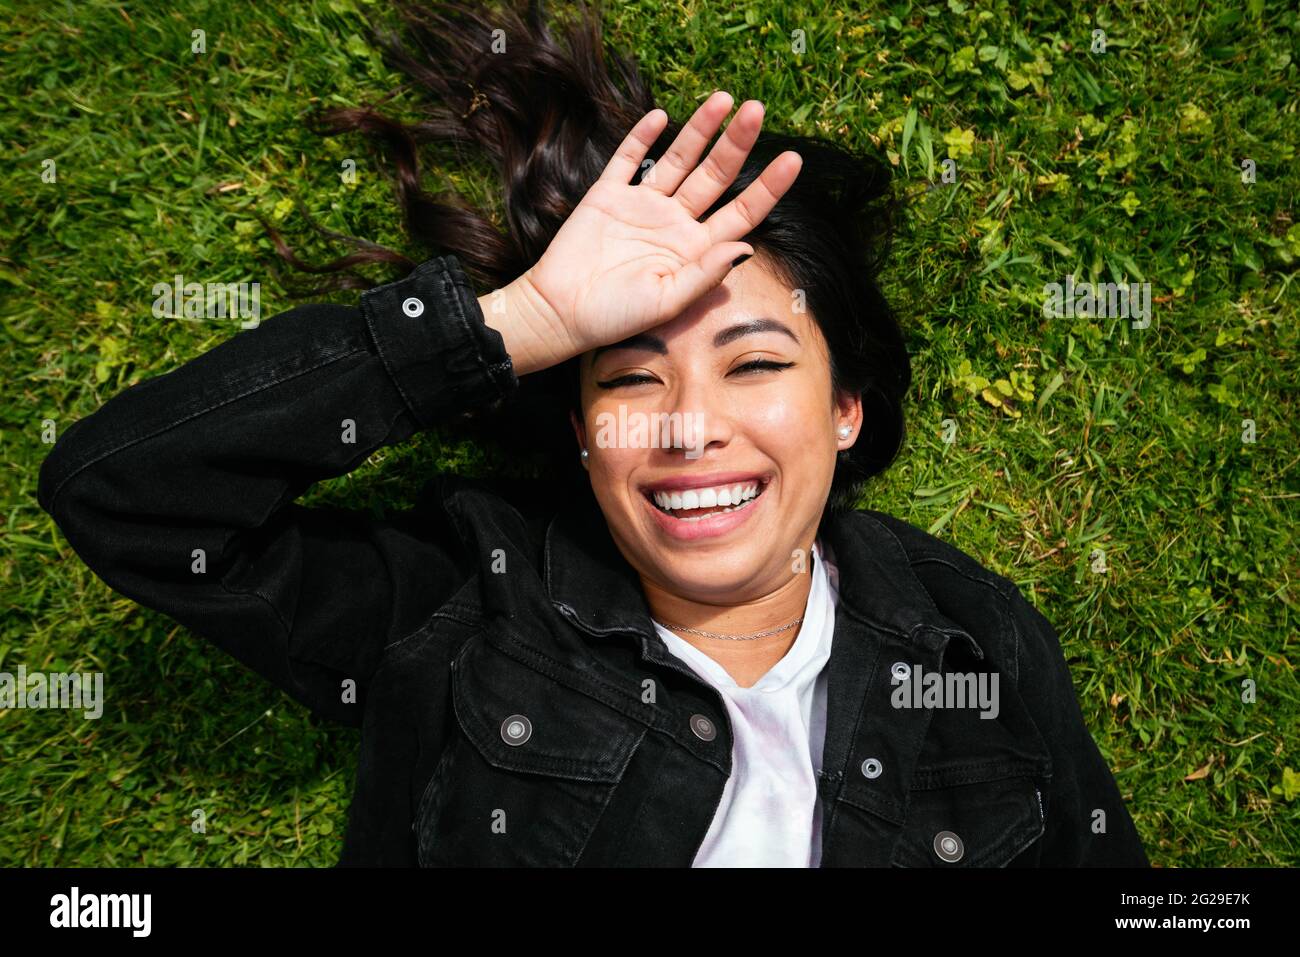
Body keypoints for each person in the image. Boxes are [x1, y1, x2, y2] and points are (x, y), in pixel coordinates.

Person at [36, 0, 1148, 867]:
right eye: (629, 379)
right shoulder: (467, 602)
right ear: (579, 432)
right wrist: (524, 322)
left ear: (845, 409)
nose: (689, 425)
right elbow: (127, 498)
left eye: (756, 363)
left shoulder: (969, 638)